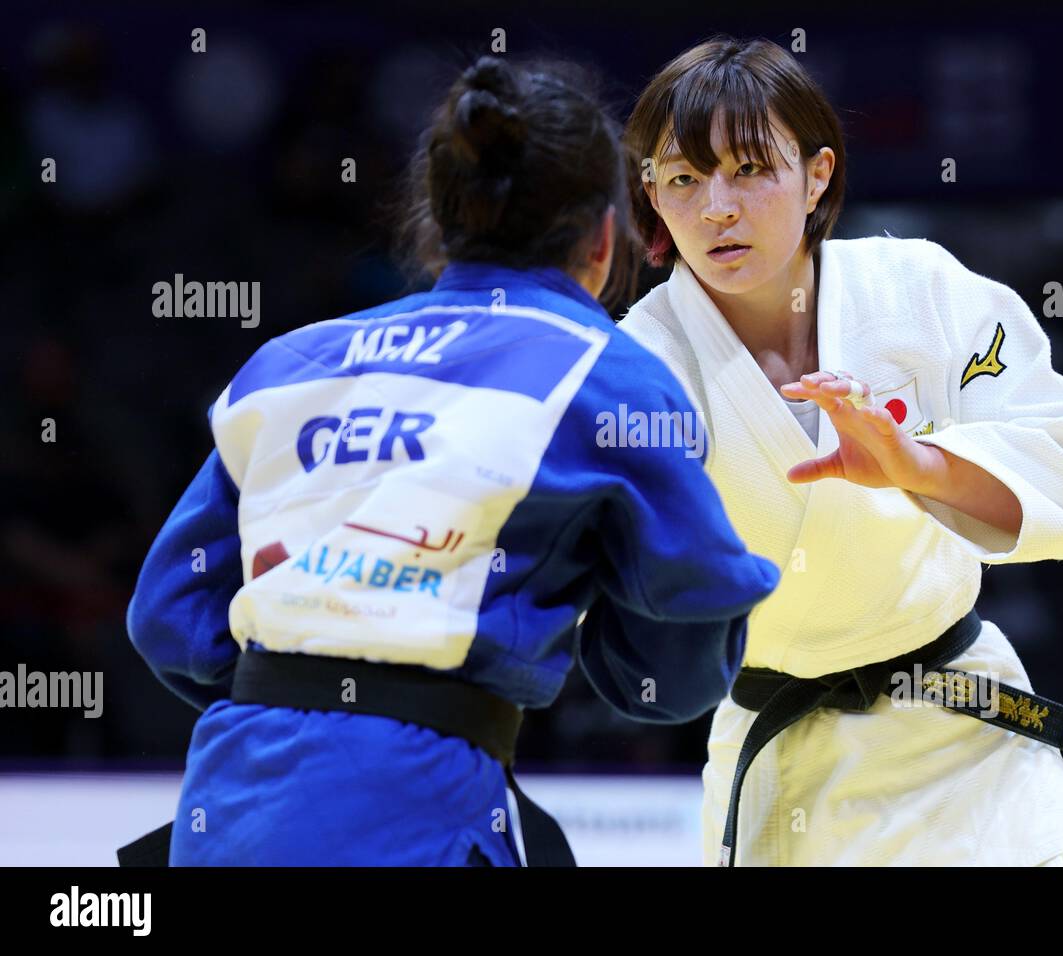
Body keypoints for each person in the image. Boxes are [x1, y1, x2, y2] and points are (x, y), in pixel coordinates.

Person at [123, 54, 779, 866]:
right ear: (605, 238)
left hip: (230, 804)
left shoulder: (289, 363)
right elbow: (673, 667)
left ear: (437, 224)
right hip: (419, 804)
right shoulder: (609, 377)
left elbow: (168, 617)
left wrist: (303, 692)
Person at [619, 35, 1063, 866]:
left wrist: (914, 466)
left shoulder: (918, 290)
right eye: (683, 179)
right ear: (651, 193)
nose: (716, 208)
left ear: (818, 175)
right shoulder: (637, 369)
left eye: (750, 169)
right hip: (782, 765)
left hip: (966, 740)